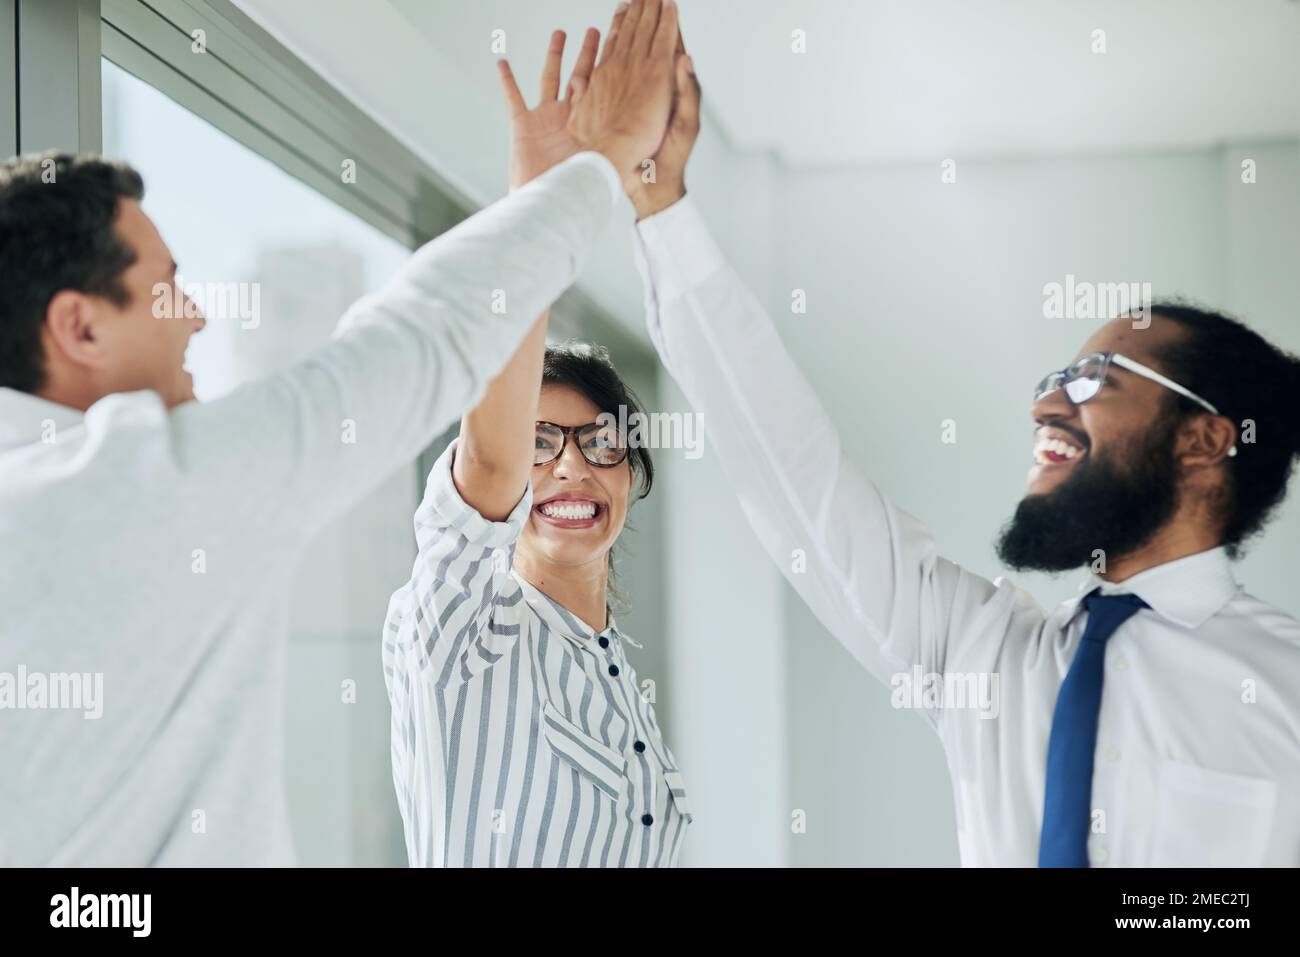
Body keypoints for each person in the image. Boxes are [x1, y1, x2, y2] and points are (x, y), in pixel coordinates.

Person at [0, 0, 681, 866]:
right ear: (81, 328)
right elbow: (418, 341)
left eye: (600, 442)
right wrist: (596, 169)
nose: (199, 318)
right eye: (168, 289)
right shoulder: (146, 487)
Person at [626, 52, 1300, 866]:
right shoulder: (984, 655)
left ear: (1205, 439)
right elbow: (802, 479)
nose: (1046, 403)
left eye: (1093, 378)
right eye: (1054, 377)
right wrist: (660, 209)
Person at [382, 20, 691, 869]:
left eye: (600, 442)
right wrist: (542, 201)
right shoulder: (460, 628)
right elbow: (487, 463)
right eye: (541, 439)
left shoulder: (615, 675)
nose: (570, 464)